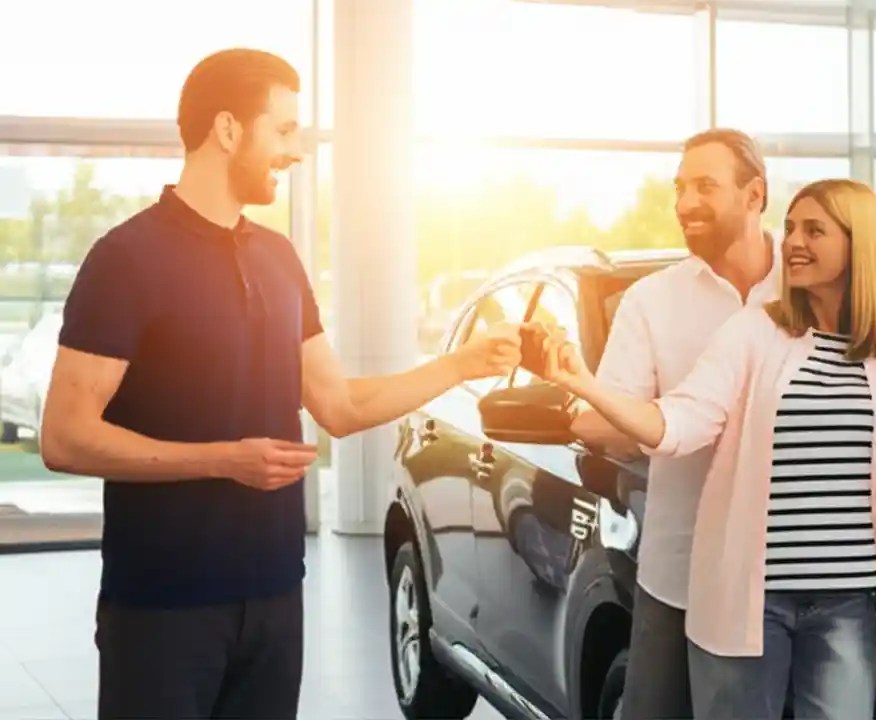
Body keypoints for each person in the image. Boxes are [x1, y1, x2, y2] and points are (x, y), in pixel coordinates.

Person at [39, 49, 521, 720]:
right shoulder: (125, 260)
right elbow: (64, 438)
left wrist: (461, 364)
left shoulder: (279, 259)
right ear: (229, 130)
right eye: (285, 130)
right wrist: (220, 460)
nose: (295, 152)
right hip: (161, 604)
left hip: (273, 595)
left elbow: (340, 406)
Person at [569, 129, 876, 719]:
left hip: (841, 599)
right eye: (680, 188)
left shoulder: (875, 341)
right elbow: (676, 419)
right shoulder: (674, 306)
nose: (686, 202)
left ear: (753, 193)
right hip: (692, 569)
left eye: (704, 186)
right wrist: (586, 394)